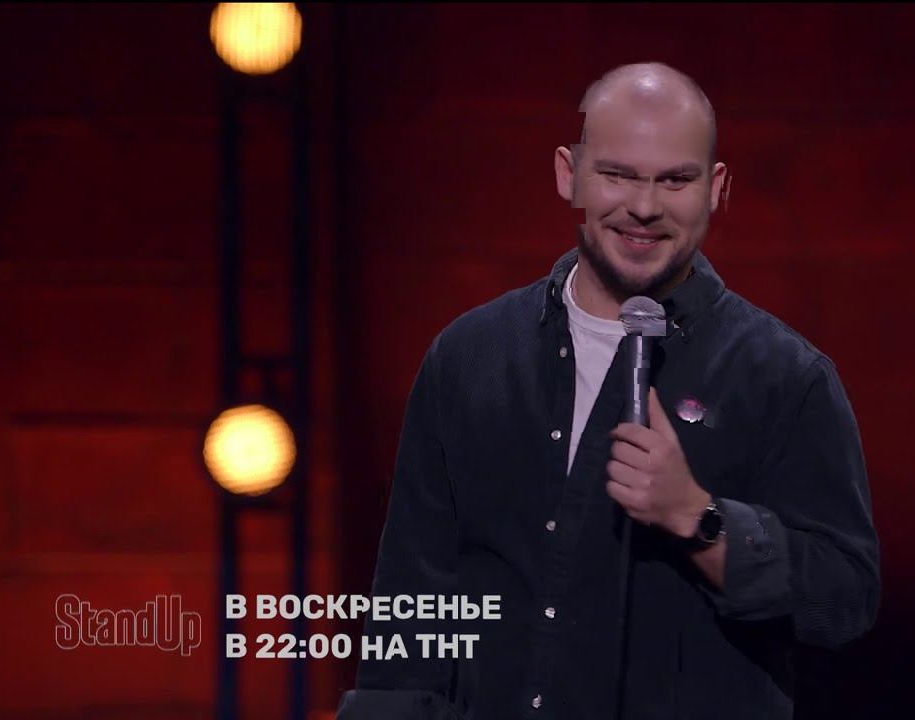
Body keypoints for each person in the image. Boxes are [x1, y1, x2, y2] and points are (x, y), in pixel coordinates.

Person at [336, 62, 880, 720]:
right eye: (618, 174)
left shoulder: (784, 377)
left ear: (715, 189)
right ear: (569, 175)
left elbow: (845, 600)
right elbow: (412, 604)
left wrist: (699, 518)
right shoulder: (471, 357)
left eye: (674, 180)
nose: (644, 207)